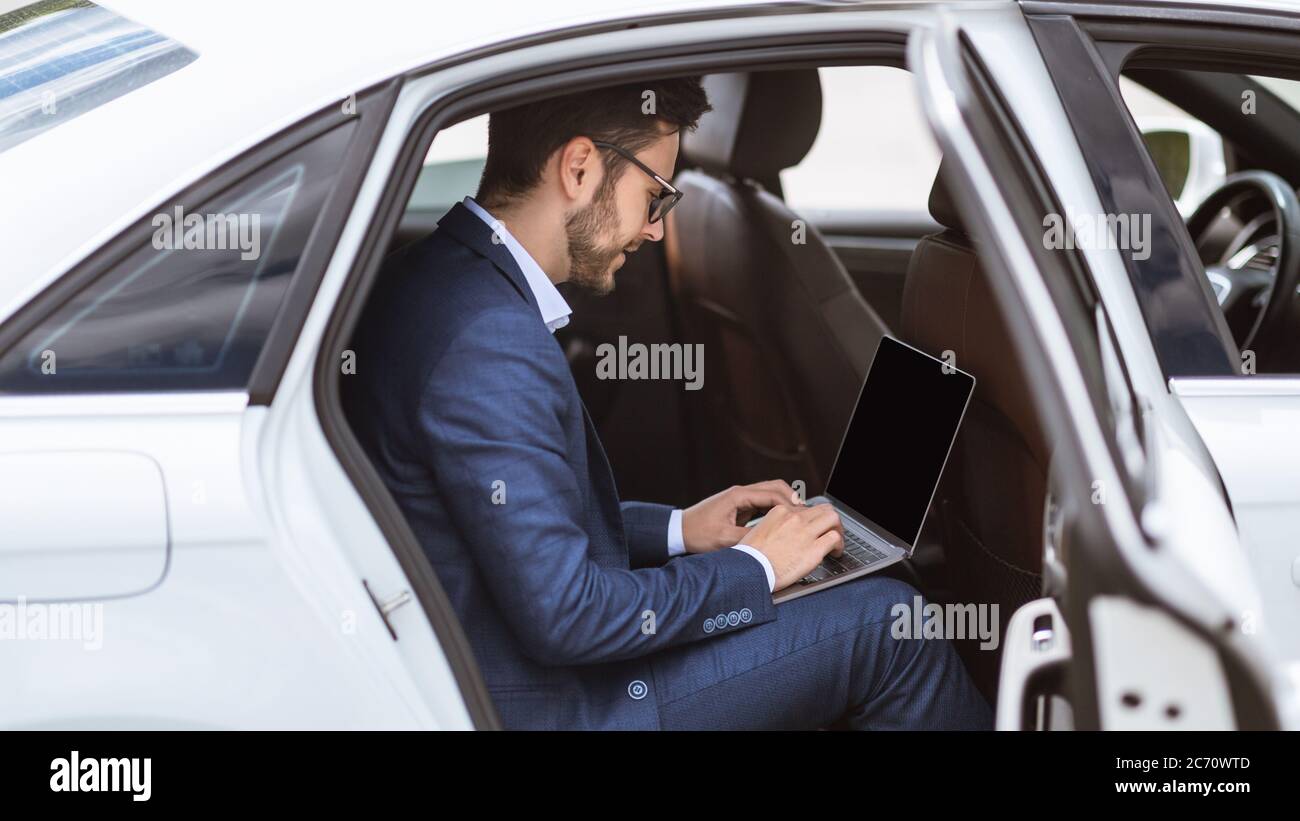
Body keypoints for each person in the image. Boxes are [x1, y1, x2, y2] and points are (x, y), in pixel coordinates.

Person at [346, 76, 992, 730]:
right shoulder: (492, 342)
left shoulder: (433, 278)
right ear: (578, 167)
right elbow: (570, 616)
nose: (656, 230)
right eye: (654, 196)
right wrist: (758, 566)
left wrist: (684, 529)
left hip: (510, 663)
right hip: (559, 704)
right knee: (889, 625)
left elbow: (515, 530)